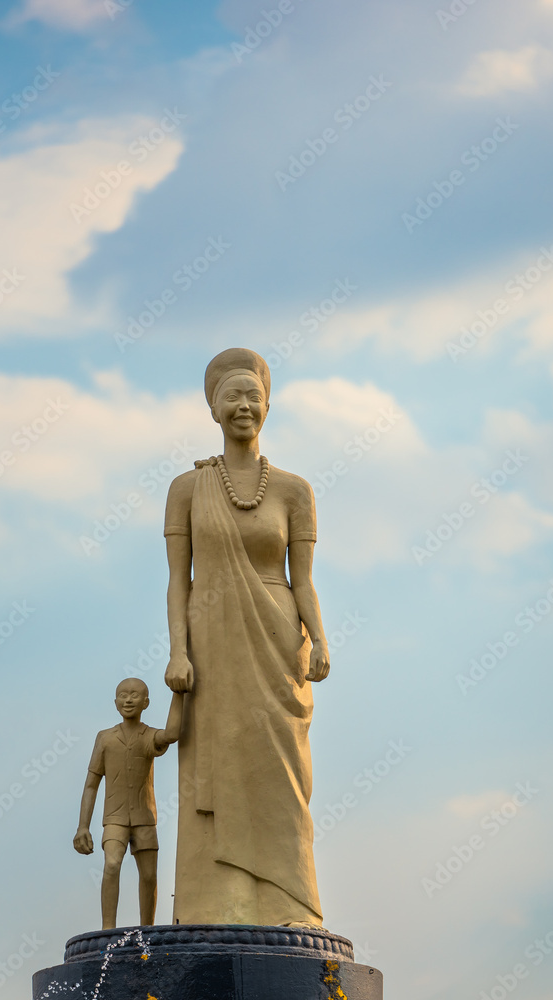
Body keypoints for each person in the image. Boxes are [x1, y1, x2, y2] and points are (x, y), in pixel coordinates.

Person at [163, 348, 330, 927]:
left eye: (253, 398)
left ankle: (292, 903)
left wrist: (321, 639)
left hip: (277, 637)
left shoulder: (293, 490)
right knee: (213, 762)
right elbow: (177, 581)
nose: (243, 407)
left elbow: (303, 581)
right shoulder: (187, 488)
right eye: (232, 397)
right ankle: (217, 903)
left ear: (267, 408)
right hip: (211, 641)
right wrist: (178, 650)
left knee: (282, 773)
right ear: (213, 408)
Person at [73, 678, 183, 928]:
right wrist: (83, 826)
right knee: (111, 864)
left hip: (145, 817)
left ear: (146, 702)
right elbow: (91, 784)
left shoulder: (149, 736)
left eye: (134, 695)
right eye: (123, 695)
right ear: (115, 702)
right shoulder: (105, 738)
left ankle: (148, 930)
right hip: (115, 817)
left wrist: (179, 694)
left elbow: (172, 734)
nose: (128, 699)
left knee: (148, 876)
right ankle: (108, 929)